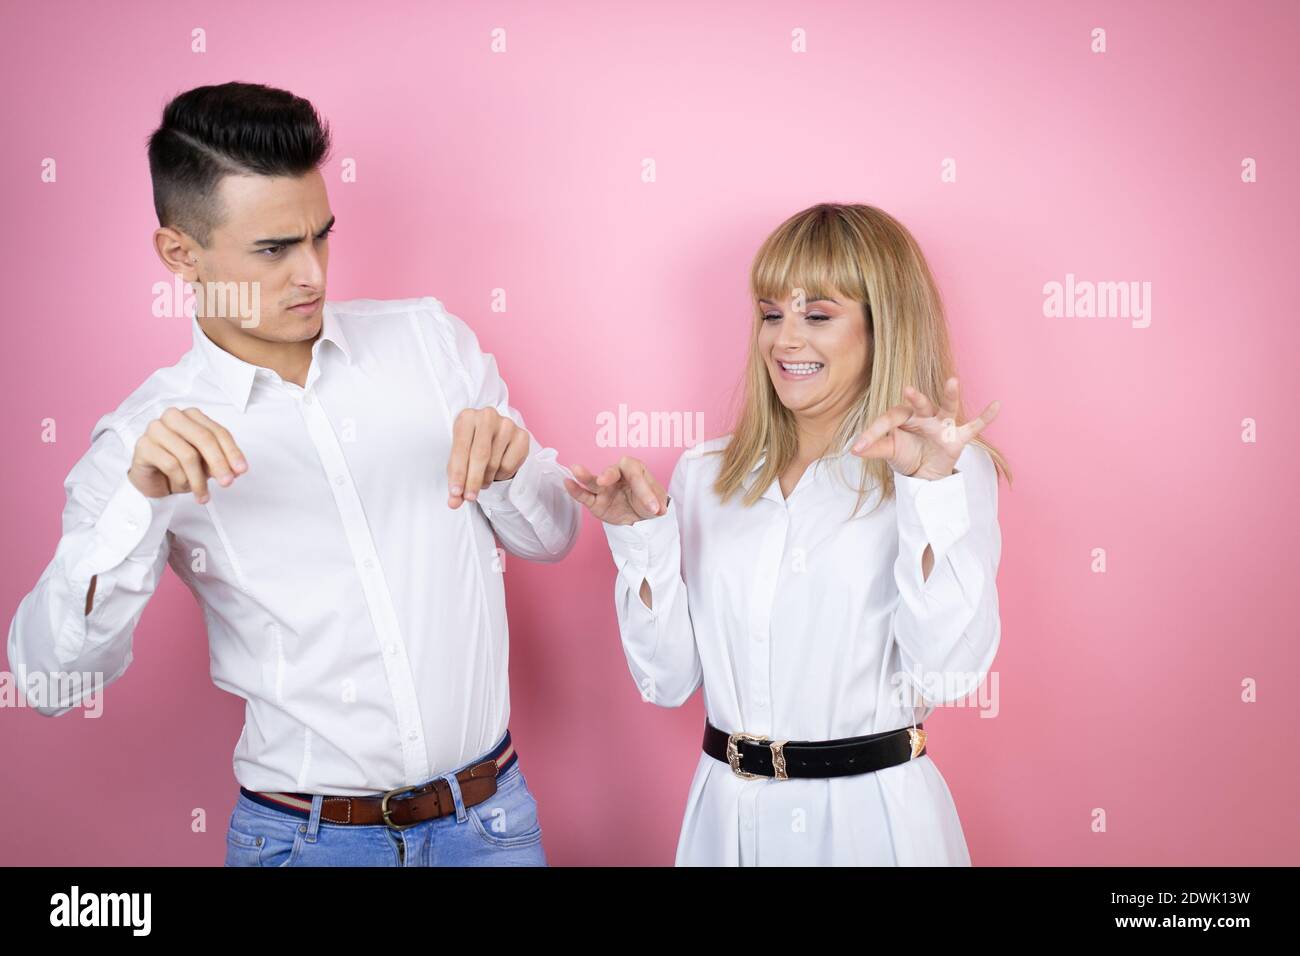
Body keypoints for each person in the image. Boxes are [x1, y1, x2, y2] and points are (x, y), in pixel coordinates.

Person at [5, 82, 579, 866]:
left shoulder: (430, 343)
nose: (311, 274)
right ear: (181, 253)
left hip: (491, 824)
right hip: (306, 844)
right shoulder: (145, 438)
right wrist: (136, 509)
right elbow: (48, 680)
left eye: (322, 236)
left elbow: (552, 537)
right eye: (274, 250)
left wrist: (513, 471)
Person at [565, 202, 1012, 866]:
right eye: (772, 313)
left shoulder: (942, 471)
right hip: (728, 821)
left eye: (818, 316)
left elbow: (947, 674)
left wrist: (928, 491)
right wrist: (640, 541)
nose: (784, 340)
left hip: (873, 827)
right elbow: (665, 682)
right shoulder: (706, 474)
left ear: (882, 326)